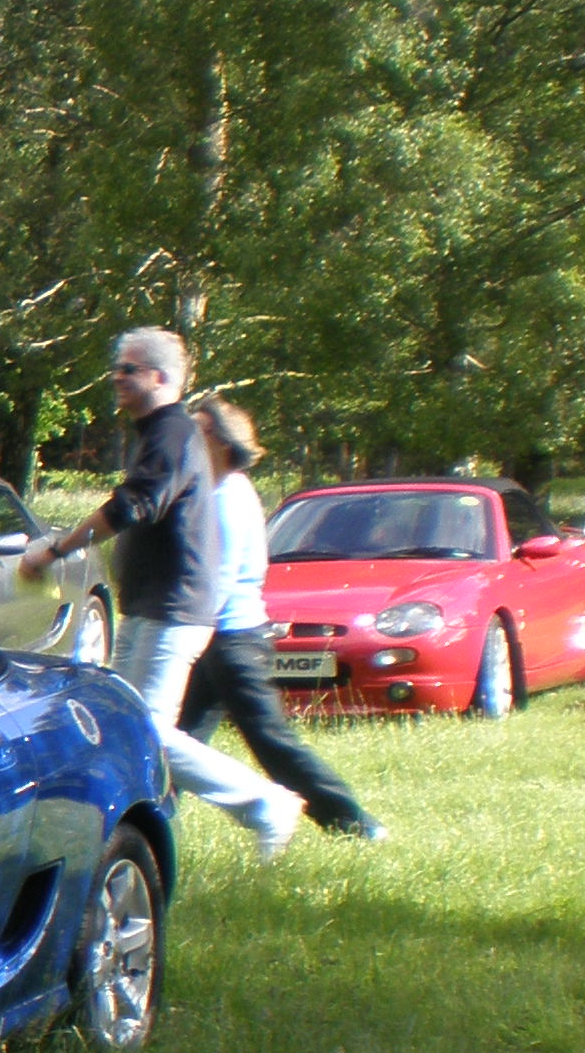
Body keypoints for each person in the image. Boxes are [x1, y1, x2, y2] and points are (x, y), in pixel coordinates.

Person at [19, 326, 302, 858]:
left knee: (145, 731)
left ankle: (265, 803)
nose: (117, 377)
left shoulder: (172, 433)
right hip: (152, 608)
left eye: (129, 369)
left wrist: (56, 550)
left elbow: (133, 505)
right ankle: (120, 827)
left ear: (161, 378)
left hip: (173, 611)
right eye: (117, 367)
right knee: (123, 725)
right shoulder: (160, 433)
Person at [179, 396, 382, 840]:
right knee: (178, 741)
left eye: (198, 428)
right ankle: (150, 823)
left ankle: (354, 823)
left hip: (233, 641)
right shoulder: (212, 489)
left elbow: (221, 577)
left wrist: (185, 632)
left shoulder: (229, 496)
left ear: (219, 439)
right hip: (217, 638)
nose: (188, 435)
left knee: (271, 741)